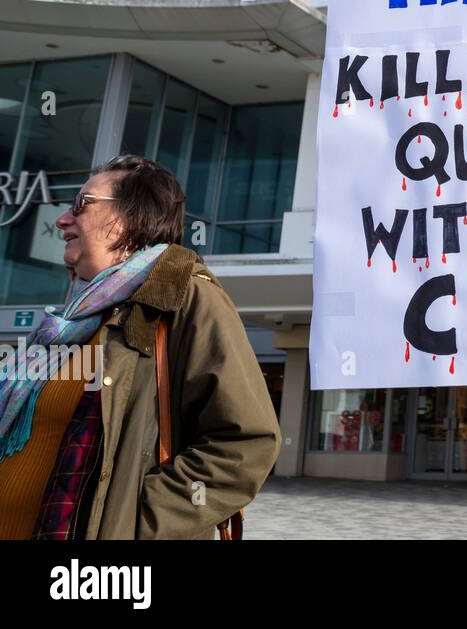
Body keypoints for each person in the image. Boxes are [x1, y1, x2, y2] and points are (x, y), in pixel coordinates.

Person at [0, 155, 281, 539]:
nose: (62, 220)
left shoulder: (185, 296)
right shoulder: (73, 317)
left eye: (82, 205)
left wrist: (136, 522)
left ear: (129, 217)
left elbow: (246, 442)